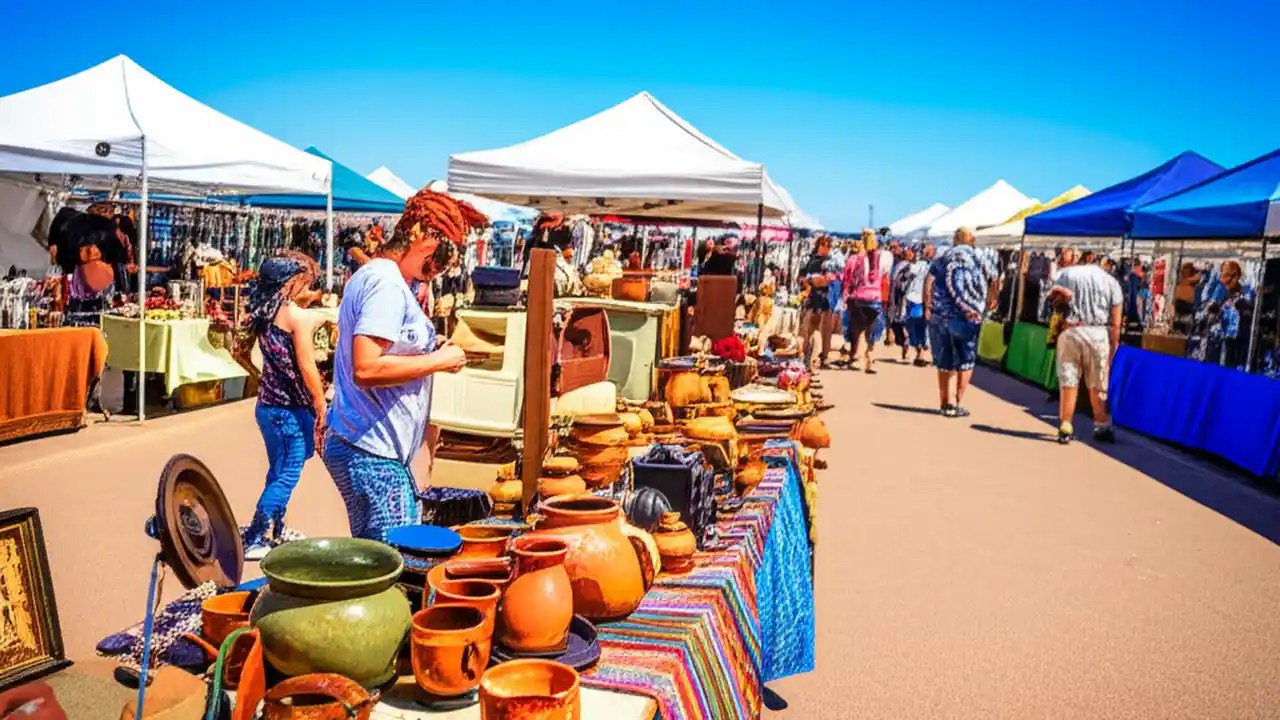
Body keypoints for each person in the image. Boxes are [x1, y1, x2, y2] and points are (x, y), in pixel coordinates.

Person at [323, 189, 486, 542]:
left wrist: (429, 349)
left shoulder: (376, 277)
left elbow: (383, 348)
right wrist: (437, 361)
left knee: (371, 558)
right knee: (394, 561)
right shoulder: (386, 284)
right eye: (438, 258)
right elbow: (366, 368)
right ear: (424, 240)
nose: (435, 270)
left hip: (362, 445)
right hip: (372, 451)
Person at [241, 252, 328, 558]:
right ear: (290, 282)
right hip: (289, 410)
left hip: (267, 407)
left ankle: (276, 529)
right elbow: (307, 366)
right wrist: (320, 404)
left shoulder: (263, 311)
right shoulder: (294, 316)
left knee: (278, 470)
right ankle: (257, 535)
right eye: (302, 280)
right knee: (288, 473)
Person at [1046, 252, 1124, 444]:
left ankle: (1066, 424)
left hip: (1070, 330)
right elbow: (1116, 322)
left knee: (1069, 380)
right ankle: (1101, 424)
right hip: (1097, 333)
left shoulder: (1065, 275)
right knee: (1097, 382)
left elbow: (1050, 302)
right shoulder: (1111, 282)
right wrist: (1114, 345)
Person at [923, 228, 992, 416]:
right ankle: (956, 401)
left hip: (941, 315)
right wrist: (989, 301)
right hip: (969, 315)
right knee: (966, 359)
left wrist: (927, 305)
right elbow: (994, 279)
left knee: (944, 360)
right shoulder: (980, 256)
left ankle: (946, 402)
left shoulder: (944, 256)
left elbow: (929, 280)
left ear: (955, 239)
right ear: (972, 240)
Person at [841, 229, 884, 374]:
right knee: (872, 329)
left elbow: (850, 279)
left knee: (856, 328)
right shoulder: (881, 257)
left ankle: (854, 356)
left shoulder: (856, 258)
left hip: (859, 297)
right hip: (875, 298)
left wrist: (846, 295)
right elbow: (885, 277)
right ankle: (869, 357)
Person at [798, 236, 837, 369]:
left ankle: (823, 356)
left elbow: (830, 280)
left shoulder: (831, 262)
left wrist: (817, 280)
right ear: (818, 245)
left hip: (826, 297)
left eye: (828, 246)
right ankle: (806, 355)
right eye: (824, 245)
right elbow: (802, 278)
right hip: (812, 297)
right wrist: (812, 281)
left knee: (825, 329)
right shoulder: (809, 260)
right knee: (809, 328)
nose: (826, 248)